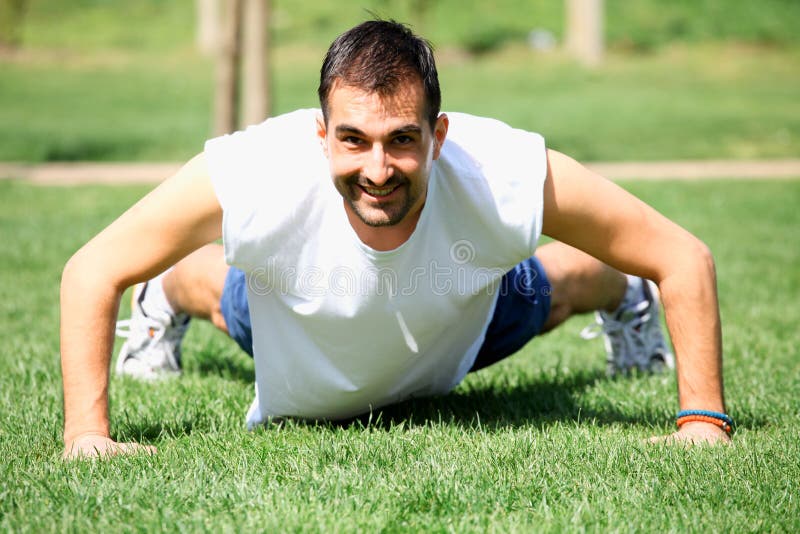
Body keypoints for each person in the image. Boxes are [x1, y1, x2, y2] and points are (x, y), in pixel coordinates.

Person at [60, 20, 731, 459]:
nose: (377, 170)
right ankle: (165, 291)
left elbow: (681, 254)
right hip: (301, 320)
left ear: (438, 137)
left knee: (552, 288)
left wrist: (702, 421)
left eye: (401, 141)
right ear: (321, 136)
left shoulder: (497, 170)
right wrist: (87, 435)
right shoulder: (257, 171)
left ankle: (627, 295)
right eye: (353, 140)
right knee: (221, 292)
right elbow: (91, 270)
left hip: (455, 319)